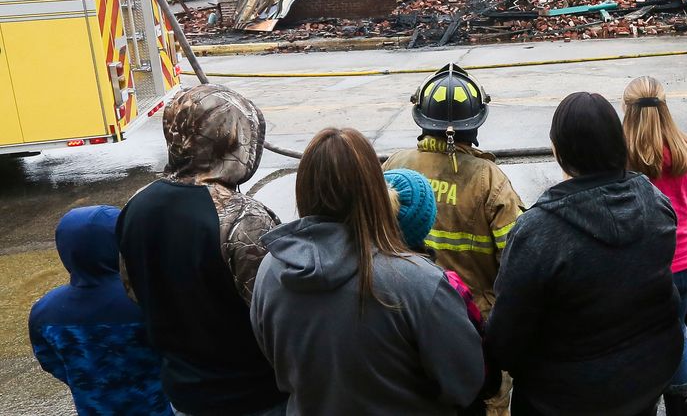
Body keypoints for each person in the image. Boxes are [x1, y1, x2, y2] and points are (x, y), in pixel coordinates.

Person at [251, 128, 485, 415]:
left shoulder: (269, 271)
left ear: (304, 188)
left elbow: (275, 361)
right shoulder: (420, 283)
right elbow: (467, 383)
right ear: (376, 190)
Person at [487, 92, 682, 415]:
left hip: (562, 397)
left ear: (557, 150)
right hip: (644, 381)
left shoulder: (538, 232)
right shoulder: (655, 202)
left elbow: (505, 340)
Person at [117, 84, 287, 416]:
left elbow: (133, 290)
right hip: (254, 395)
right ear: (230, 140)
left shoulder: (137, 203)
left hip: (184, 392)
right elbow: (279, 315)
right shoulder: (243, 217)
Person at [382, 63, 523, 414]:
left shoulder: (394, 166)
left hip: (400, 315)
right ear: (475, 122)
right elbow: (517, 261)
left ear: (421, 117)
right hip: (477, 324)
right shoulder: (490, 179)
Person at [29, 206, 171, 416]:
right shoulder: (150, 299)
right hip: (158, 405)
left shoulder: (44, 311)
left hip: (94, 407)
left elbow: (51, 361)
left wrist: (87, 380)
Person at [622, 76, 687, 416]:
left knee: (639, 336)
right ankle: (680, 399)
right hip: (685, 258)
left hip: (637, 262)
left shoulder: (619, 156)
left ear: (627, 110)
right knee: (677, 331)